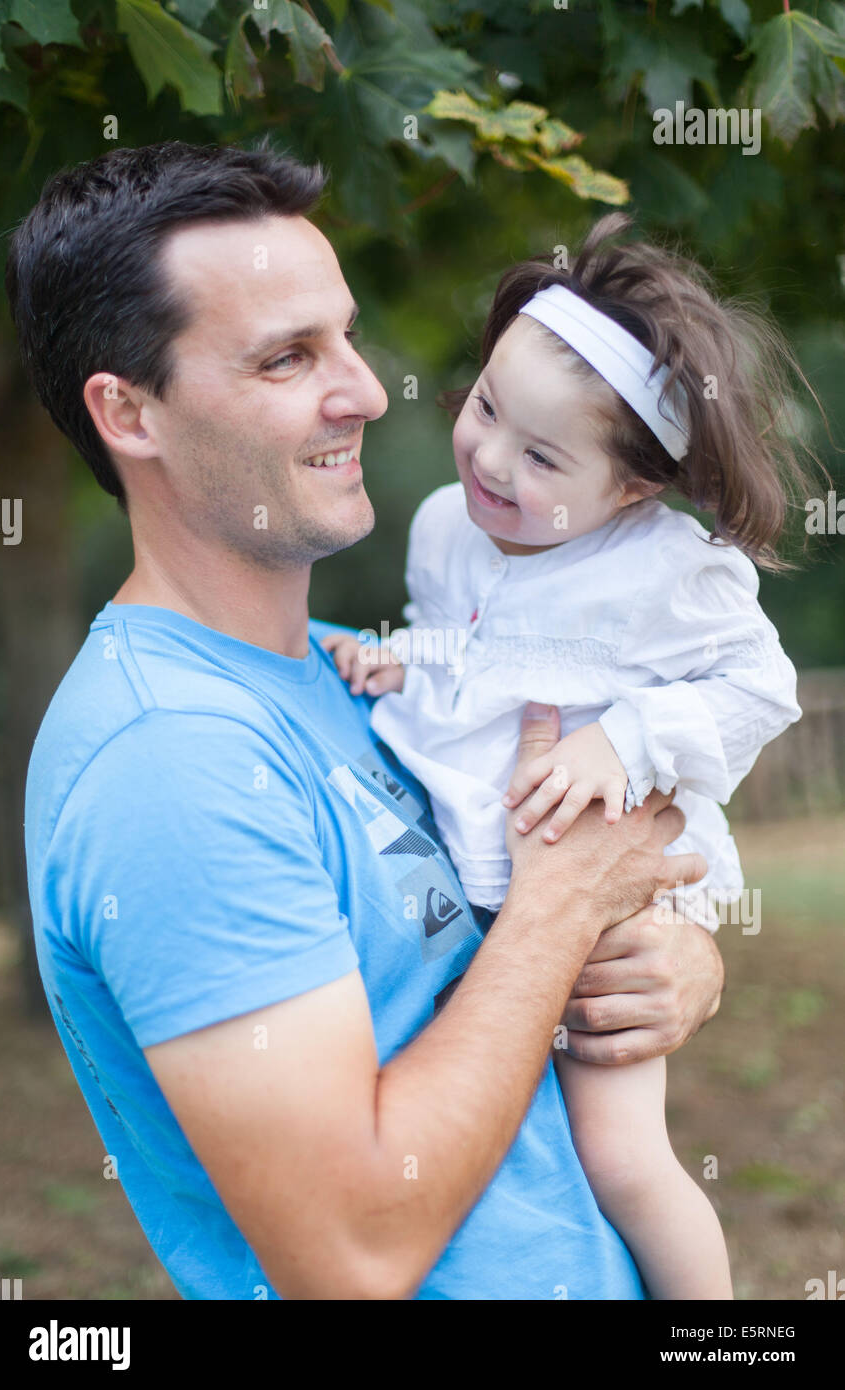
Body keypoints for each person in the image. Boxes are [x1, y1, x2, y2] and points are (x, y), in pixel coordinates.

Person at [7, 142, 723, 1301]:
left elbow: (490, 966)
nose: (361, 387)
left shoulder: (359, 685)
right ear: (128, 412)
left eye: (342, 334)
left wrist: (665, 959)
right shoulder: (170, 762)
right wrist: (559, 910)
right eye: (287, 357)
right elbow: (348, 1255)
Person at [324, 215, 811, 1299]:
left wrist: (623, 737)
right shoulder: (449, 522)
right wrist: (401, 663)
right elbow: (466, 647)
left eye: (540, 455)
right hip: (489, 866)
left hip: (611, 896)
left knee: (620, 1159)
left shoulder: (665, 570)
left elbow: (757, 688)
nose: (489, 457)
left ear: (630, 486)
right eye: (486, 407)